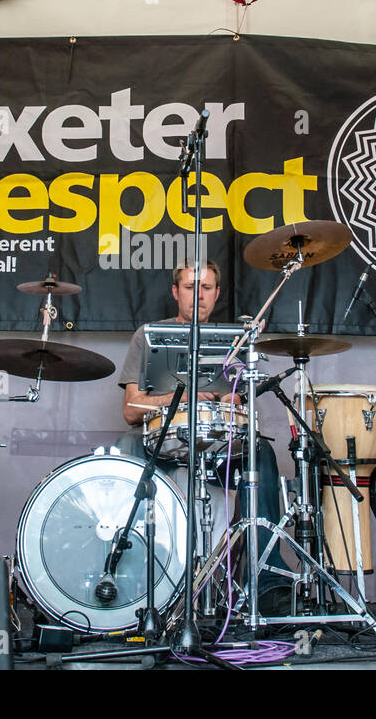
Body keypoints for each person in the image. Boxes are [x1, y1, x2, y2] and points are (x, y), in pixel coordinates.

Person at [117, 261, 291, 613]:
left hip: (217, 446)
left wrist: (231, 398)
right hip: (163, 442)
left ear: (217, 294)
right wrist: (183, 395)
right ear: (175, 292)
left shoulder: (234, 342)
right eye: (190, 287)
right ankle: (131, 578)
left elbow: (238, 402)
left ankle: (267, 581)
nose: (199, 295)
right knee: (126, 449)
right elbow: (132, 410)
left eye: (207, 288)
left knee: (261, 454)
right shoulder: (147, 335)